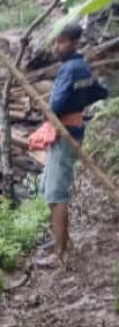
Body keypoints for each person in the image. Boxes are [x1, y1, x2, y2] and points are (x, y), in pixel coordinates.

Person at [34, 22, 108, 268]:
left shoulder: (69, 69)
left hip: (65, 133)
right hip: (72, 130)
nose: (56, 47)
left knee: (56, 193)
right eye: (55, 42)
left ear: (74, 43)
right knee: (47, 186)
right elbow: (100, 92)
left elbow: (56, 105)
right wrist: (79, 102)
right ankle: (62, 238)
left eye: (61, 42)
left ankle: (60, 253)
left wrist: (46, 109)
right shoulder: (82, 67)